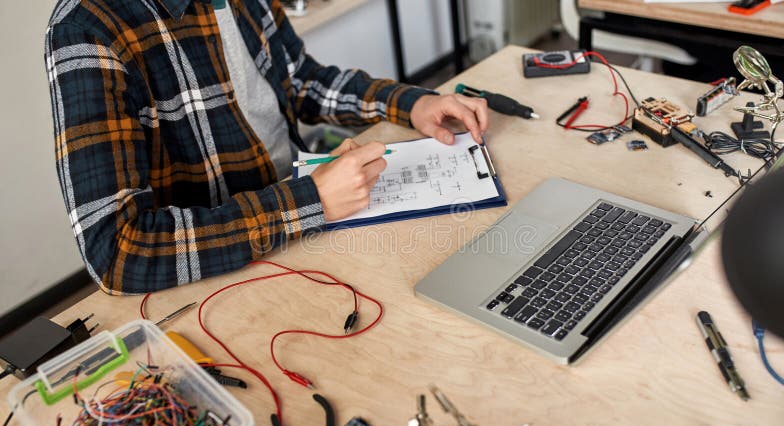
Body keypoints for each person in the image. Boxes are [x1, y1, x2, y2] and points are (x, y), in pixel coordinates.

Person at [45, 0, 489, 295]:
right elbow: (117, 252)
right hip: (224, 272)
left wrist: (411, 103)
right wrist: (310, 199)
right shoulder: (85, 30)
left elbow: (297, 80)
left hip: (306, 221)